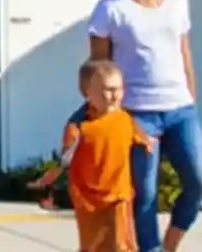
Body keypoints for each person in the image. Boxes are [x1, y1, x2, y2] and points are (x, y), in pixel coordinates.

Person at [89, 0, 202, 252]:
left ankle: (170, 245)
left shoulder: (178, 1)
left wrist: (191, 98)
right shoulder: (110, 8)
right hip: (135, 115)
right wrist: (109, 116)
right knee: (143, 194)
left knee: (201, 184)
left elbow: (184, 53)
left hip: (180, 111)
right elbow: (99, 68)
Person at [29, 59, 155, 252]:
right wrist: (46, 180)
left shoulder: (125, 119)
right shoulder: (79, 128)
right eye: (108, 90)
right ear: (88, 94)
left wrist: (148, 142)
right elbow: (64, 161)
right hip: (89, 203)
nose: (115, 96)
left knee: (122, 245)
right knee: (94, 246)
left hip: (118, 197)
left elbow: (142, 138)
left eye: (119, 89)